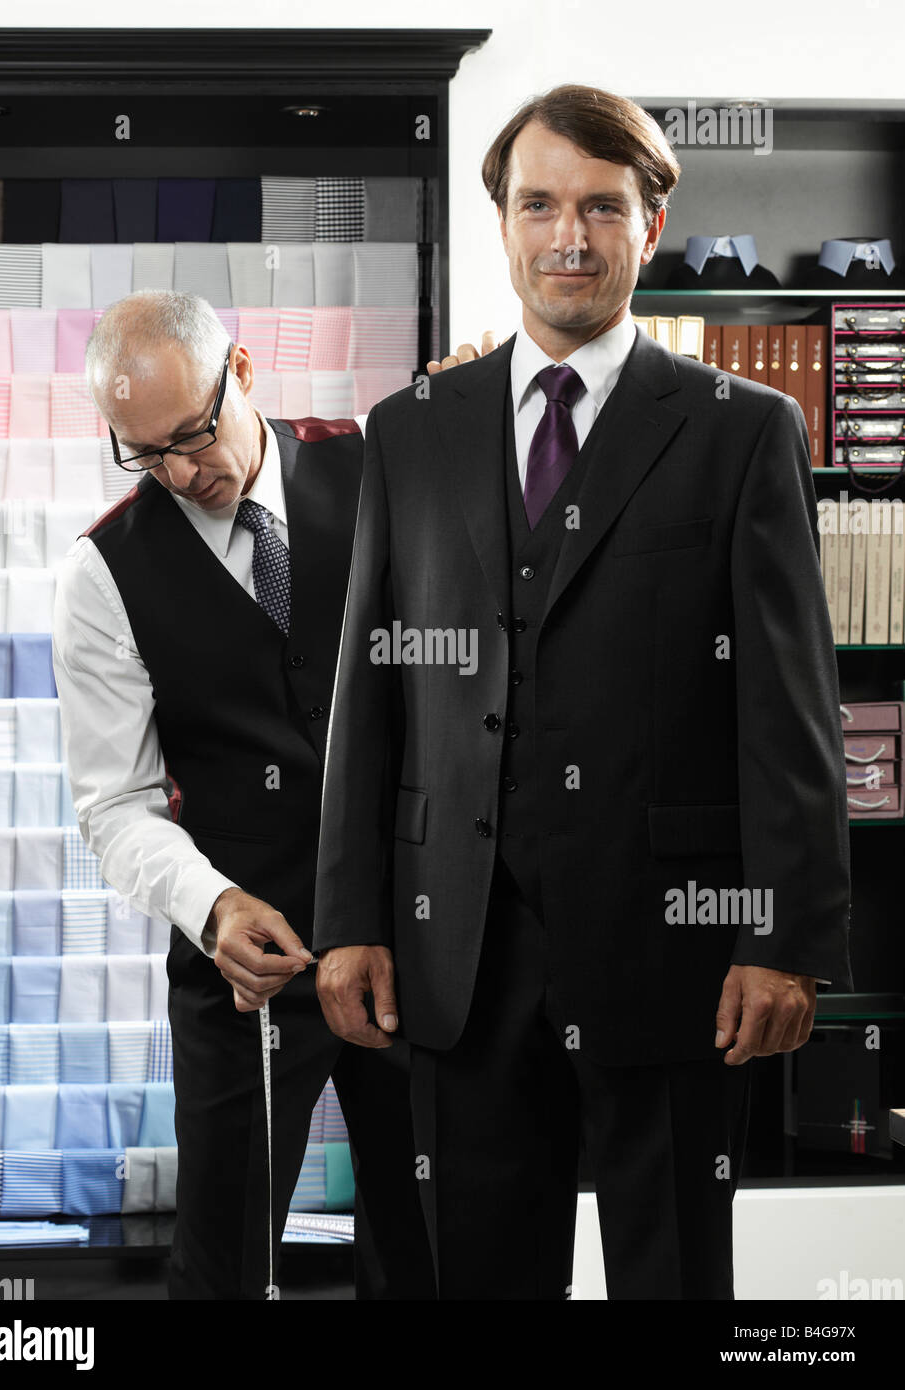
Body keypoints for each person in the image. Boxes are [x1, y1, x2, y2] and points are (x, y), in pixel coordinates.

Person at [312, 84, 852, 1300]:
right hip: (459, 948)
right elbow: (372, 689)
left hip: (677, 960)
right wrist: (348, 916)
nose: (570, 235)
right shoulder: (410, 430)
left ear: (649, 227)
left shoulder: (741, 431)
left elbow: (789, 708)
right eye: (540, 204)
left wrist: (785, 940)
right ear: (499, 221)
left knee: (673, 1283)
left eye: (602, 208)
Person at [51, 289, 440, 1299]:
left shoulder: (379, 468)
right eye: (146, 453)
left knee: (432, 1252)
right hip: (243, 967)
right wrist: (210, 904)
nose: (184, 472)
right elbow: (114, 805)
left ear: (247, 375)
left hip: (414, 937)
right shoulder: (103, 575)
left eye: (193, 433)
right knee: (222, 1266)